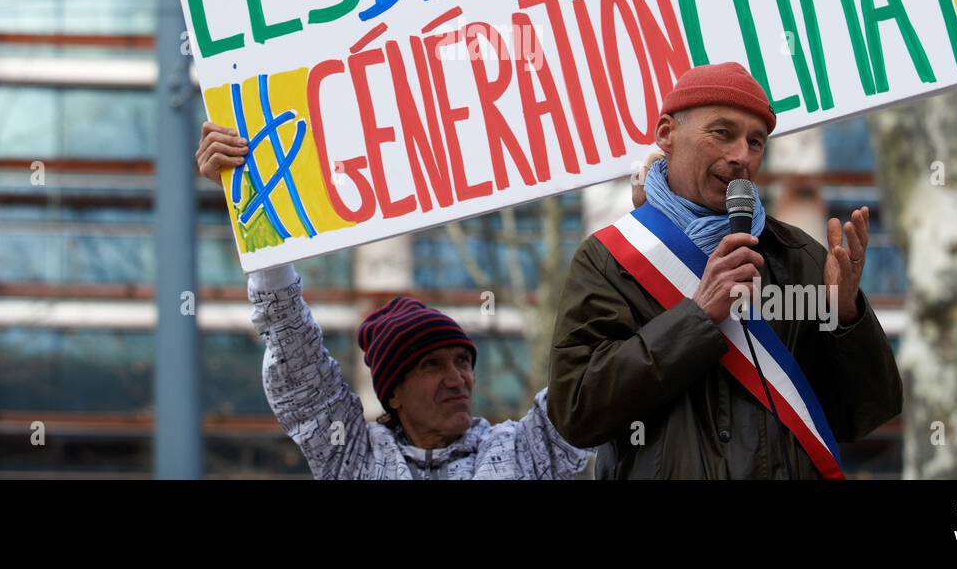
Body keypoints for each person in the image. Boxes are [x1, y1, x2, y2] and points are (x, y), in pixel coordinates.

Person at [547, 62, 903, 479]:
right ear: (666, 134)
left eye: (755, 142)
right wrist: (696, 318)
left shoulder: (796, 254)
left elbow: (859, 415)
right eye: (722, 133)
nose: (741, 156)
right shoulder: (610, 258)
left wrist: (846, 319)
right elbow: (576, 411)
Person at [196, 122, 592, 480]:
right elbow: (292, 346)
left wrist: (652, 210)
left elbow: (595, 381)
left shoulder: (524, 452)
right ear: (394, 394)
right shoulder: (353, 459)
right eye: (431, 364)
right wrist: (247, 196)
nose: (457, 378)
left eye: (462, 361)